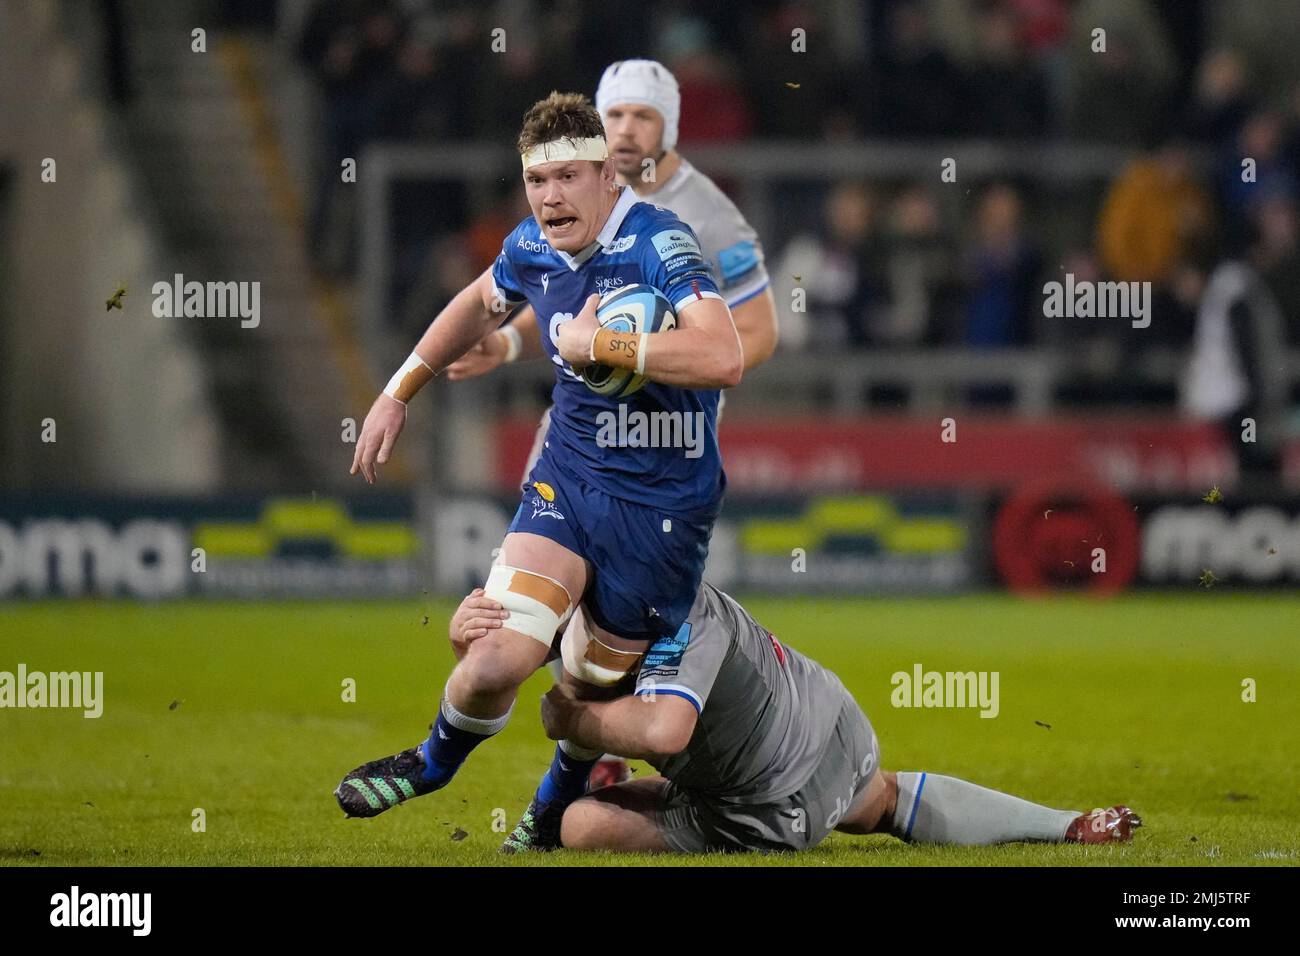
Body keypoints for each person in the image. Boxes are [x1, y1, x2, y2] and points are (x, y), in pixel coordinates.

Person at [336, 91, 744, 830]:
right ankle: (428, 766)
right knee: (492, 656)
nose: (551, 197)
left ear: (607, 178)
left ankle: (549, 812)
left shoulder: (660, 243)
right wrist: (400, 390)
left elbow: (723, 355)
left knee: (587, 688)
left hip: (661, 510)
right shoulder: (531, 245)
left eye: (568, 178)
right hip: (570, 480)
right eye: (537, 181)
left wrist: (605, 346)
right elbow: (476, 300)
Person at [447, 59, 777, 796]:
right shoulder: (577, 199)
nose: (627, 131)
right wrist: (504, 343)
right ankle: (526, 704)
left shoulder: (710, 215)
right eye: (615, 116)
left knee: (615, 629)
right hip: (582, 434)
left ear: (670, 127)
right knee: (533, 602)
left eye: (643, 117)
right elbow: (566, 302)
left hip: (662, 448)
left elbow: (753, 330)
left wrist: (659, 364)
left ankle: (588, 751)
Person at [448, 586, 1142, 854]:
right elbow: (571, 657)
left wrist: (568, 720)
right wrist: (473, 645)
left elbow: (661, 730)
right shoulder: (639, 582)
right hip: (831, 718)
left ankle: (608, 778)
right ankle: (1066, 825)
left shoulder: (677, 620)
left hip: (769, 806)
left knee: (582, 823)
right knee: (879, 799)